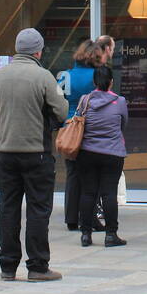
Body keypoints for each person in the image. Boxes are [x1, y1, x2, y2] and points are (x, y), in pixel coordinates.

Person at [0, 28, 68, 282]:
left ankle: (7, 266)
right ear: (39, 51)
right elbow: (61, 112)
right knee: (38, 210)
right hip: (37, 154)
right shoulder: (43, 77)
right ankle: (38, 266)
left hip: (6, 154)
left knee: (7, 208)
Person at [74, 64, 130, 249]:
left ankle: (86, 234)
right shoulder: (120, 101)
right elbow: (124, 124)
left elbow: (78, 122)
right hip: (112, 153)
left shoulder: (85, 100)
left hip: (87, 153)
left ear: (94, 81)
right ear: (112, 81)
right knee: (109, 193)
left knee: (88, 192)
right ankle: (111, 234)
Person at [60, 39, 105, 234]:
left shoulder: (66, 76)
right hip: (91, 128)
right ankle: (90, 216)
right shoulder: (97, 75)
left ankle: (71, 218)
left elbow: (56, 99)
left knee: (72, 174)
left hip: (70, 127)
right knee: (92, 174)